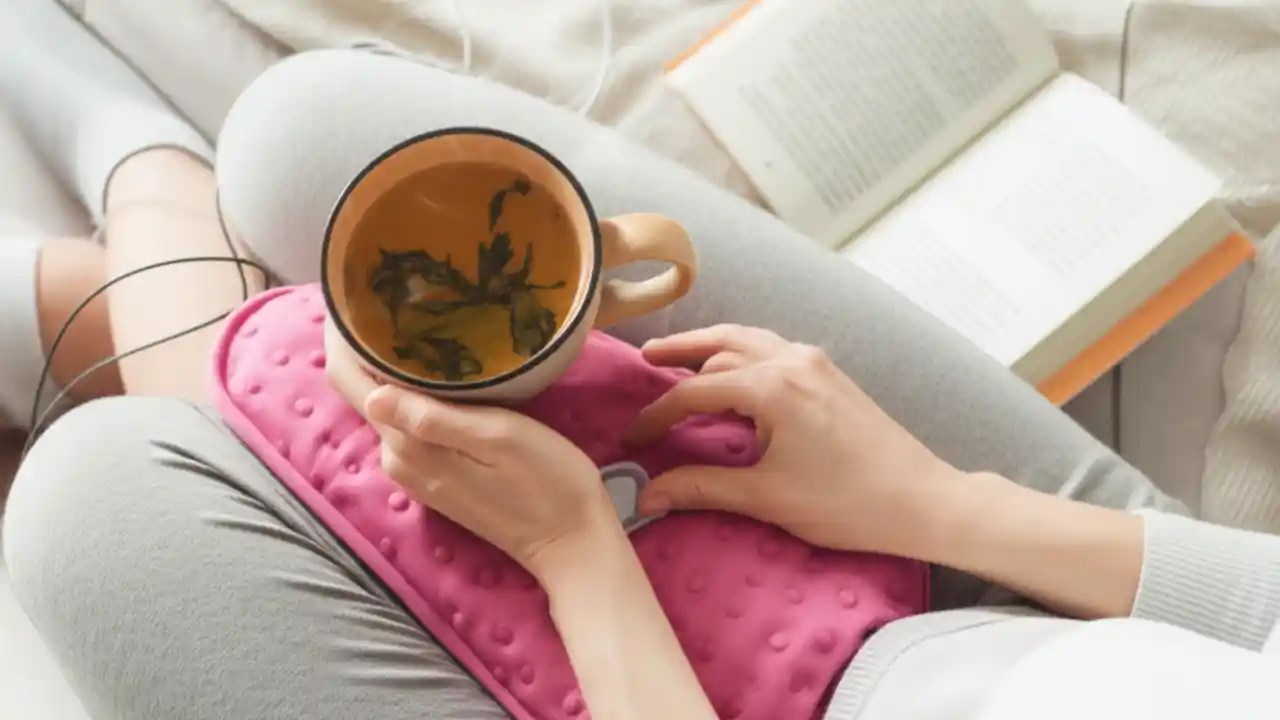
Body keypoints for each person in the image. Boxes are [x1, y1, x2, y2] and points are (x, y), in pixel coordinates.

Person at [1, 3, 1276, 719]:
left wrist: (578, 564)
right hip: (1053, 603)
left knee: (83, 504)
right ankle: (139, 223)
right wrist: (925, 501)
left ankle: (131, 199)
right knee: (305, 131)